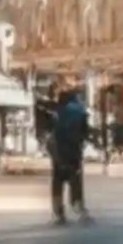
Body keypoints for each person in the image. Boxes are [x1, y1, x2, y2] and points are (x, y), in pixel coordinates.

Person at [48, 91, 92, 225]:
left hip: (59, 151)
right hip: (74, 152)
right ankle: (79, 208)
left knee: (58, 182)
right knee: (75, 181)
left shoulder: (57, 112)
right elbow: (85, 133)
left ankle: (59, 213)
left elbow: (52, 132)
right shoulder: (80, 112)